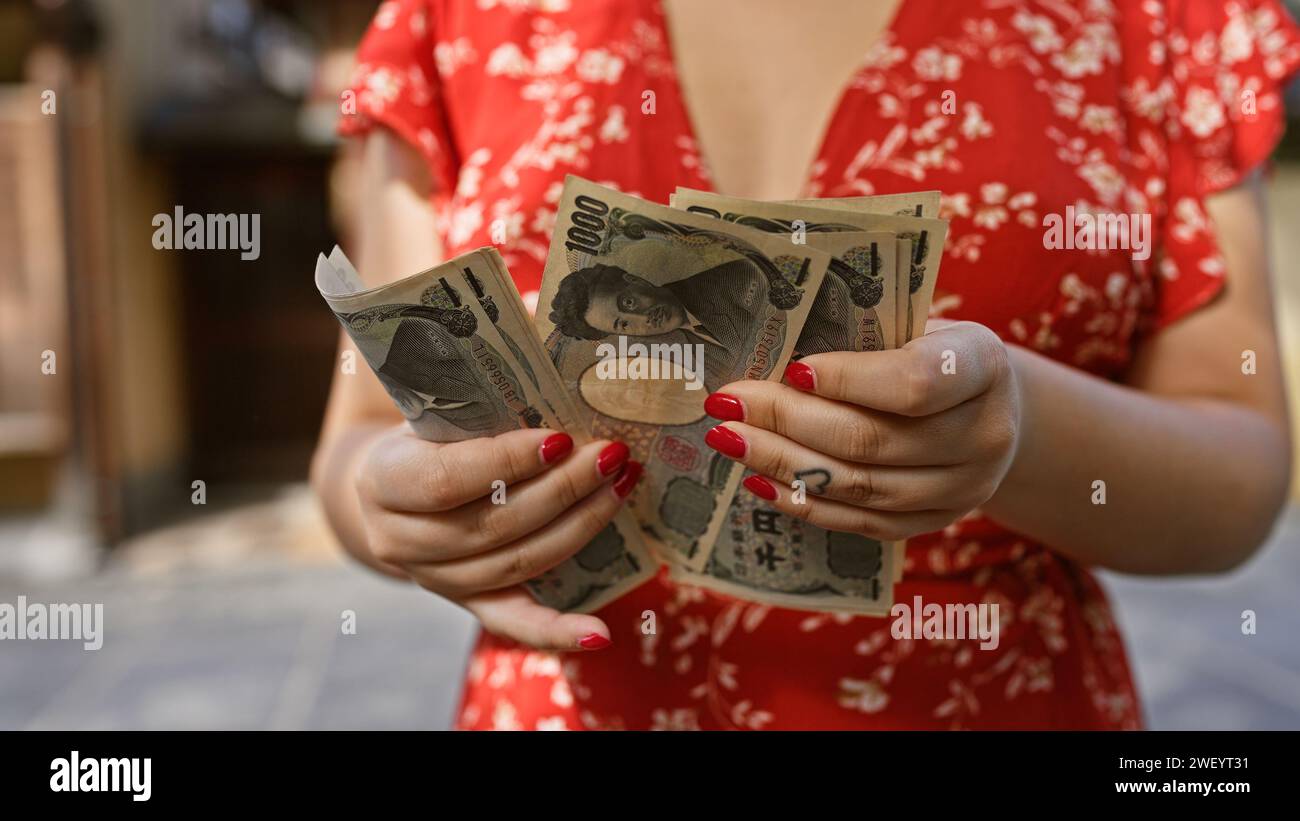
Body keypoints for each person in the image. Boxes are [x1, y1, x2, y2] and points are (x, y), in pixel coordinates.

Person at [312, 0, 1300, 729]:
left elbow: (1237, 462)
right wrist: (392, 505)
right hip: (571, 697)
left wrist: (1023, 430)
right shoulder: (457, 19)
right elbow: (358, 441)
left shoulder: (1157, 17)